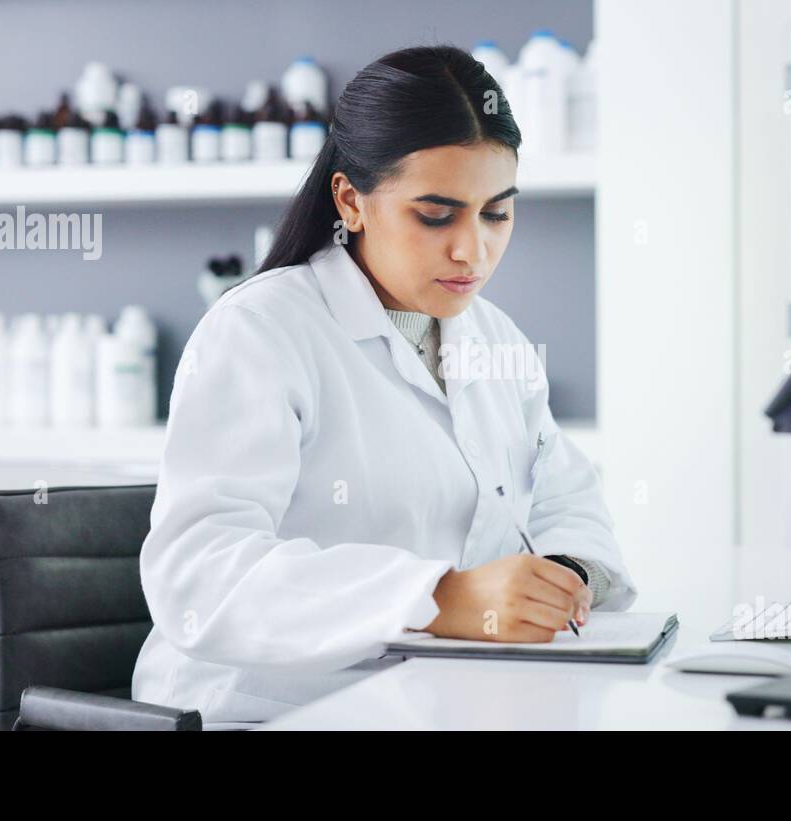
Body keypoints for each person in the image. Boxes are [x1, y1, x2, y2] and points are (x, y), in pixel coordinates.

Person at [131, 45, 636, 727]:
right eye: (436, 213)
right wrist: (439, 596)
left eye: (497, 213)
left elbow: (564, 494)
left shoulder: (495, 339)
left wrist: (566, 572)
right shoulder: (258, 333)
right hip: (256, 711)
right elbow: (202, 575)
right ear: (351, 200)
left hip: (429, 702)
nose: (473, 250)